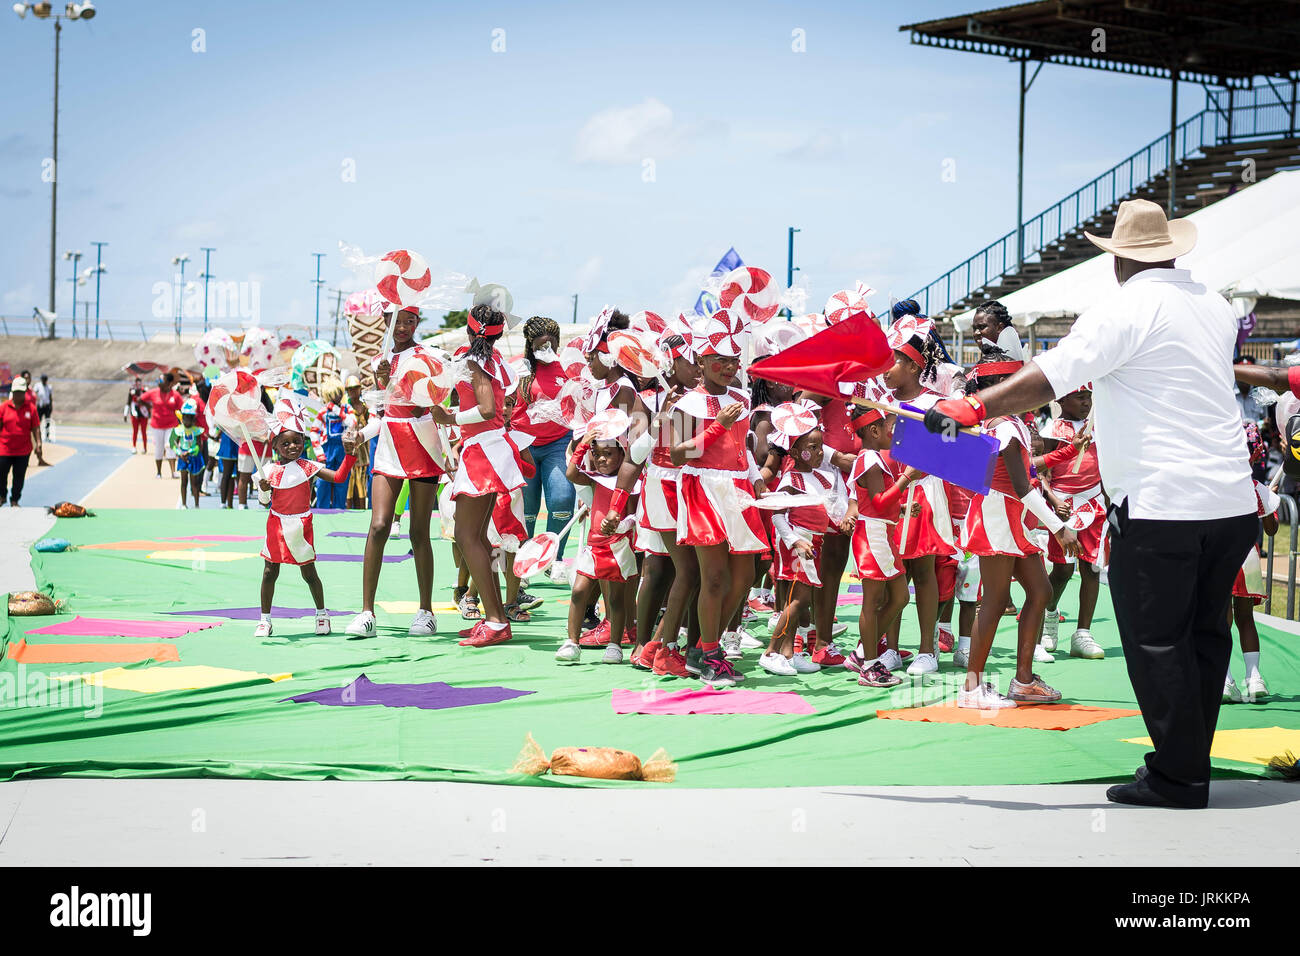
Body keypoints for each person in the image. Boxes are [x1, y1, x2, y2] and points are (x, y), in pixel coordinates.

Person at [925, 198, 1258, 808]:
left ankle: (1179, 776)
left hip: (1164, 503)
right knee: (1205, 637)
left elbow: (1055, 374)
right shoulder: (1212, 303)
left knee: (1156, 640)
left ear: (1118, 260)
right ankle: (1188, 761)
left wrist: (972, 408)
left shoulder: (1127, 306)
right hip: (1232, 501)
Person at [955, 346, 1078, 709]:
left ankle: (1023, 680)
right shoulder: (1006, 426)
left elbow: (1027, 481)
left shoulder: (1010, 425)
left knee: (1039, 592)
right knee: (993, 601)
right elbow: (1022, 487)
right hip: (999, 516)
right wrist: (1058, 527)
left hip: (1013, 519)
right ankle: (971, 688)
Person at [669, 308, 766, 687]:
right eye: (719, 361)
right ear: (702, 361)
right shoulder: (686, 404)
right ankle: (708, 654)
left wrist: (756, 480)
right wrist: (717, 426)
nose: (728, 367)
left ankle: (704, 648)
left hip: (738, 489)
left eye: (733, 360)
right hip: (702, 489)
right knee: (713, 577)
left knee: (743, 577)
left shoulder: (741, 395)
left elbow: (741, 448)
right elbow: (678, 454)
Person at [346, 306, 448, 639]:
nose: (402, 326)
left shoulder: (427, 357)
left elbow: (426, 406)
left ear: (418, 323)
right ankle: (366, 613)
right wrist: (359, 435)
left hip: (421, 441)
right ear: (387, 322)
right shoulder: (380, 359)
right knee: (378, 525)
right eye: (397, 320)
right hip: (390, 444)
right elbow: (381, 413)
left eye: (410, 321)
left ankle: (426, 612)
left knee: (419, 532)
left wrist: (395, 381)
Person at [441, 302, 529, 647]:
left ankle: (494, 619)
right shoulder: (491, 361)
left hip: (483, 450)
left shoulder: (474, 360)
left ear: (468, 328)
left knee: (467, 537)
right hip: (488, 448)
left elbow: (487, 409)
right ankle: (497, 618)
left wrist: (450, 419)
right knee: (475, 537)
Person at [254, 400, 357, 638]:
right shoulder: (267, 472)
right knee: (269, 572)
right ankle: (265, 620)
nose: (292, 446)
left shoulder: (308, 466)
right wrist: (263, 488)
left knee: (309, 573)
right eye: (286, 443)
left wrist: (349, 456)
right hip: (276, 525)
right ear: (276, 445)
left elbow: (339, 478)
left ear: (304, 442)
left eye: (297, 441)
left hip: (300, 527)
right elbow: (263, 502)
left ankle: (322, 614)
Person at [555, 423, 640, 663]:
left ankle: (614, 645)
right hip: (594, 546)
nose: (602, 459)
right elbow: (571, 472)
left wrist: (621, 526)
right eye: (597, 454)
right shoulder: (594, 478)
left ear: (622, 454)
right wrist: (583, 445)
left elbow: (635, 515)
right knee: (579, 590)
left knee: (615, 599)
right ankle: (572, 642)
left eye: (609, 453)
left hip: (619, 548)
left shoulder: (631, 483)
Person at [1033, 384, 1106, 660]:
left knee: (1092, 569)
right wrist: (1052, 500)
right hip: (1063, 508)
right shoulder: (1052, 431)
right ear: (1062, 399)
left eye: (1089, 397)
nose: (1086, 402)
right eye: (1080, 397)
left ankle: (1083, 633)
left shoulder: (1099, 426)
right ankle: (1050, 613)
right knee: (1062, 571)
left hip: (1094, 504)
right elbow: (1038, 470)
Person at [842, 400, 911, 688]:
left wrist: (903, 509)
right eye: (888, 428)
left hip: (881, 534)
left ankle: (863, 652)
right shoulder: (869, 460)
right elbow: (879, 501)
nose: (892, 432)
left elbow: (876, 502)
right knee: (872, 603)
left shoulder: (871, 457)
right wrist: (908, 478)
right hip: (873, 536)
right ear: (873, 431)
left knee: (900, 597)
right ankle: (870, 665)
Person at [512, 316, 578, 580]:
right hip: (523, 443)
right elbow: (505, 407)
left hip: (558, 442)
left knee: (562, 498)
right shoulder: (519, 368)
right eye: (541, 346)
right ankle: (525, 561)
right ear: (530, 345)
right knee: (526, 508)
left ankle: (555, 559)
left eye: (552, 344)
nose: (547, 350)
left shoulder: (568, 368)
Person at [1225, 423, 1279, 704]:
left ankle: (1225, 680)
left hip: (1218, 556)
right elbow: (1271, 529)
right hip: (1248, 557)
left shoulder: (1215, 483)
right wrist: (1268, 501)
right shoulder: (1255, 487)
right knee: (1246, 618)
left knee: (1220, 619)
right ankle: (1253, 676)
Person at [0, 377, 44, 507]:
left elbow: (36, 428)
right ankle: (2, 496)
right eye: (16, 392)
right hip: (4, 449)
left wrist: (39, 444)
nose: (18, 395)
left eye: (21, 392)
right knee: (1, 475)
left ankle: (15, 500)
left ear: (25, 392)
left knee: (19, 477)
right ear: (12, 392)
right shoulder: (3, 407)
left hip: (23, 450)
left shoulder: (31, 409)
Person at [138, 374, 185, 479]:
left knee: (170, 446)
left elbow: (182, 409)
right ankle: (159, 472)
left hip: (171, 425)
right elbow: (140, 399)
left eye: (161, 380)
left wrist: (183, 424)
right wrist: (148, 406)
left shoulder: (175, 395)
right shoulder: (153, 392)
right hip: (157, 426)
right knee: (159, 449)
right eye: (158, 379)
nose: (159, 382)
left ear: (169, 383)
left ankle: (173, 472)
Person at [169, 399, 206, 509]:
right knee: (183, 481)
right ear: (182, 417)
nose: (187, 419)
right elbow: (172, 443)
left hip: (193, 457)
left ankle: (196, 504)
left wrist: (190, 451)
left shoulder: (197, 430)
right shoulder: (178, 430)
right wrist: (180, 453)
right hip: (182, 458)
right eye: (185, 417)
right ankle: (184, 504)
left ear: (193, 418)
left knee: (194, 482)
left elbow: (199, 446)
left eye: (190, 417)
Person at [126, 376, 150, 453]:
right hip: (135, 414)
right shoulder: (132, 391)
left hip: (143, 414)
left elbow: (149, 402)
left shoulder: (145, 391)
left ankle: (145, 448)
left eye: (140, 383)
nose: (138, 385)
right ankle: (134, 446)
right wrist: (125, 413)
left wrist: (149, 412)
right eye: (137, 383)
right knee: (135, 431)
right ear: (135, 384)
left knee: (143, 431)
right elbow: (128, 402)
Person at [32, 374, 52, 440]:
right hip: (40, 406)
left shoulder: (49, 387)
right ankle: (38, 435)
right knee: (38, 421)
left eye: (45, 380)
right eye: (43, 379)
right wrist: (37, 400)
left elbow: (50, 397)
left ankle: (47, 435)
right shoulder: (38, 386)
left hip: (47, 406)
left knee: (47, 421)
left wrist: (51, 406)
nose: (44, 381)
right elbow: (34, 394)